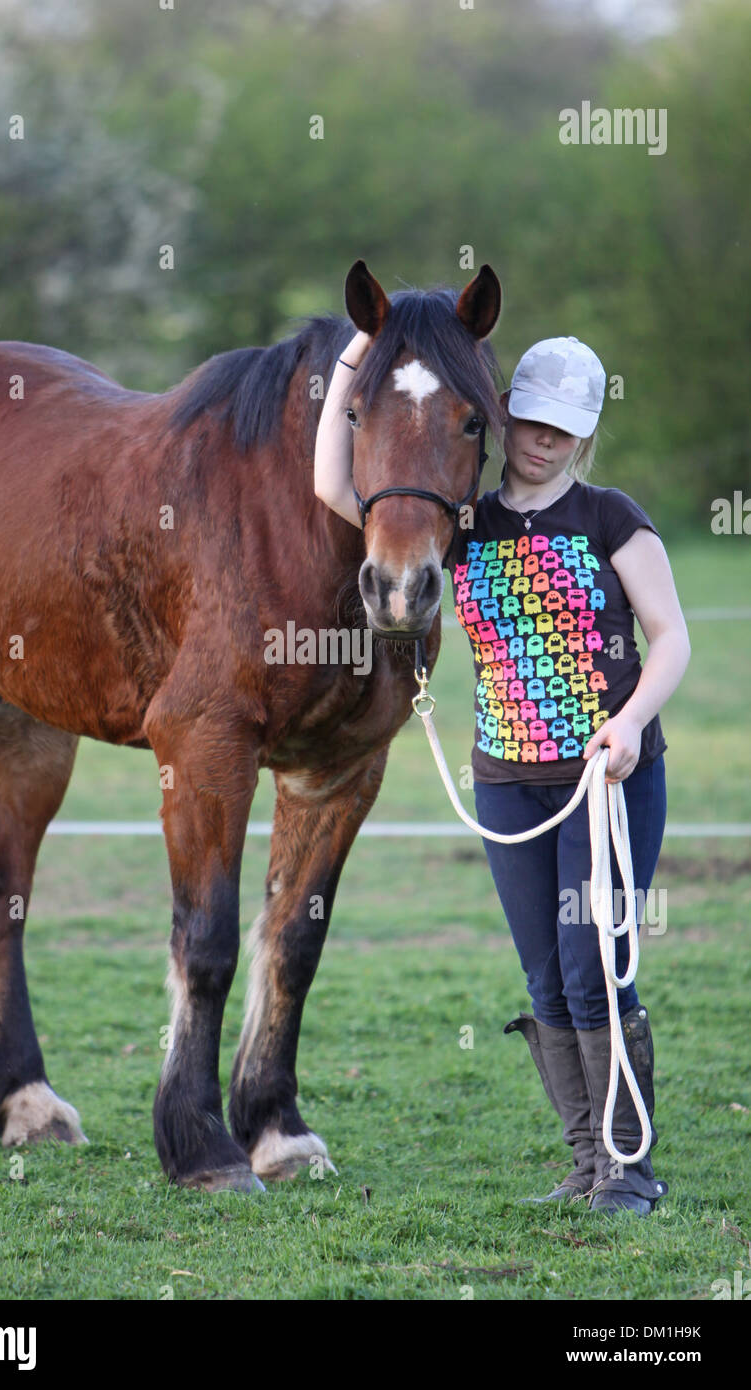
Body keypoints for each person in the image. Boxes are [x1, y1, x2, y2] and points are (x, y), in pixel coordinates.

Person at [315, 327, 691, 1216]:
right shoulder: (463, 522)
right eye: (531, 421)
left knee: (596, 964)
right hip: (506, 781)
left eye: (564, 427)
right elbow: (333, 484)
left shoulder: (612, 517)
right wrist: (355, 360)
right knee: (545, 978)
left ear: (585, 433)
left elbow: (671, 637)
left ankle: (629, 1167)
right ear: (503, 416)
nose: (543, 440)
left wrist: (632, 724)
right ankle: (584, 1163)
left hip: (607, 781)